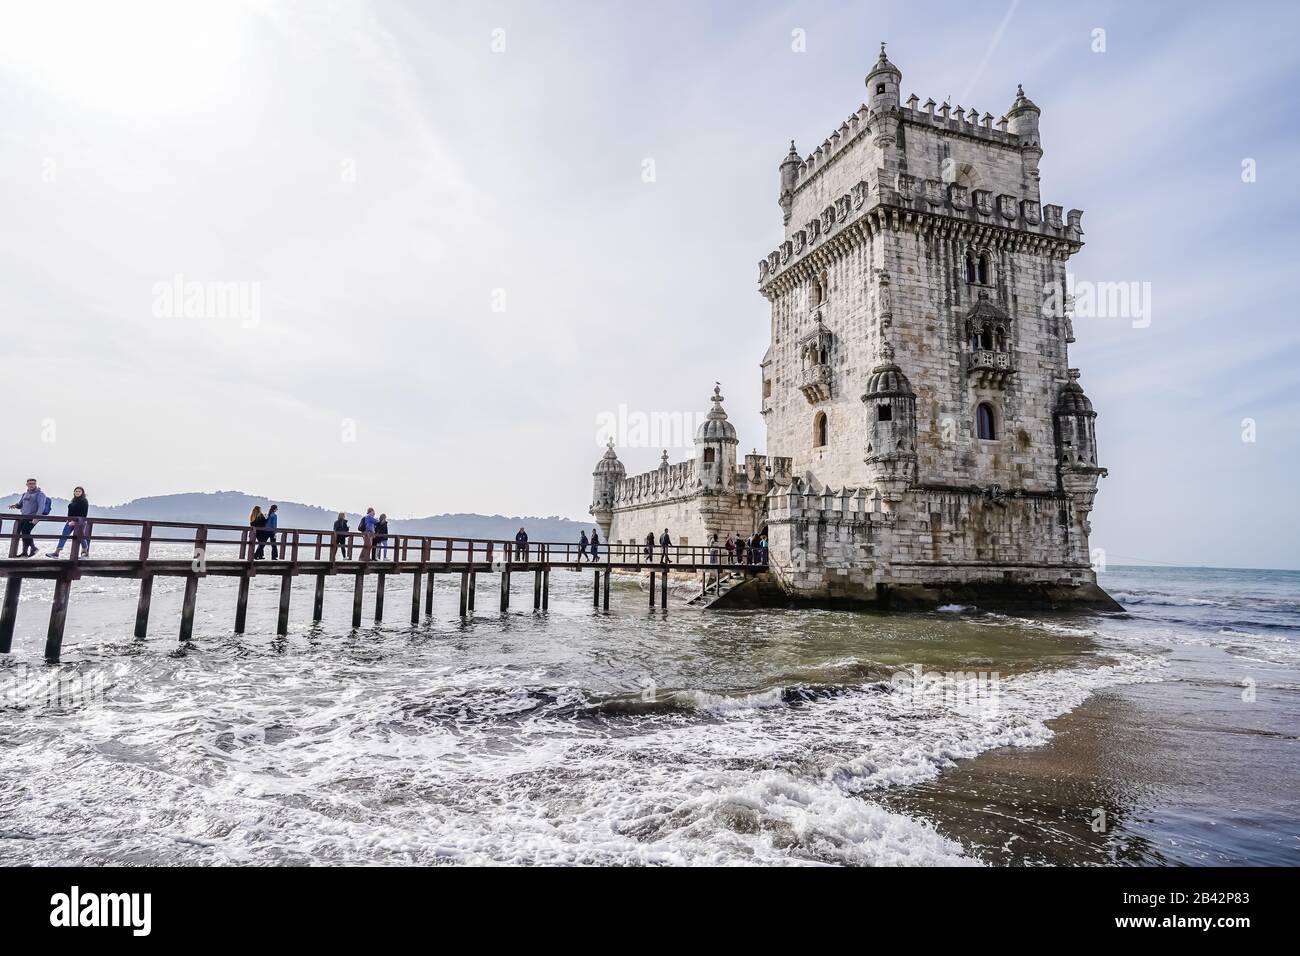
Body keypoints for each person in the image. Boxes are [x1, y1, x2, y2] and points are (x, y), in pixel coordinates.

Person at [8, 478, 49, 558]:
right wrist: (15, 506)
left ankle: (33, 548)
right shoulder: (25, 494)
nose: (32, 485)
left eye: (33, 483)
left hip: (32, 517)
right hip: (23, 516)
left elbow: (41, 507)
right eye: (30, 483)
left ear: (36, 484)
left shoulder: (40, 494)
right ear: (27, 484)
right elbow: (20, 505)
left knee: (25, 531)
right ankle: (24, 552)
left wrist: (37, 518)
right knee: (22, 533)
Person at [47, 486, 90, 559]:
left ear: (82, 493)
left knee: (81, 537)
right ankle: (56, 553)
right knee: (64, 535)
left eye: (79, 491)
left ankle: (85, 552)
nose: (77, 492)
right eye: (76, 491)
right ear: (74, 492)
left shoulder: (84, 501)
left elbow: (84, 514)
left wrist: (75, 521)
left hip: (80, 522)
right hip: (70, 521)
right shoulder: (73, 500)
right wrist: (69, 520)